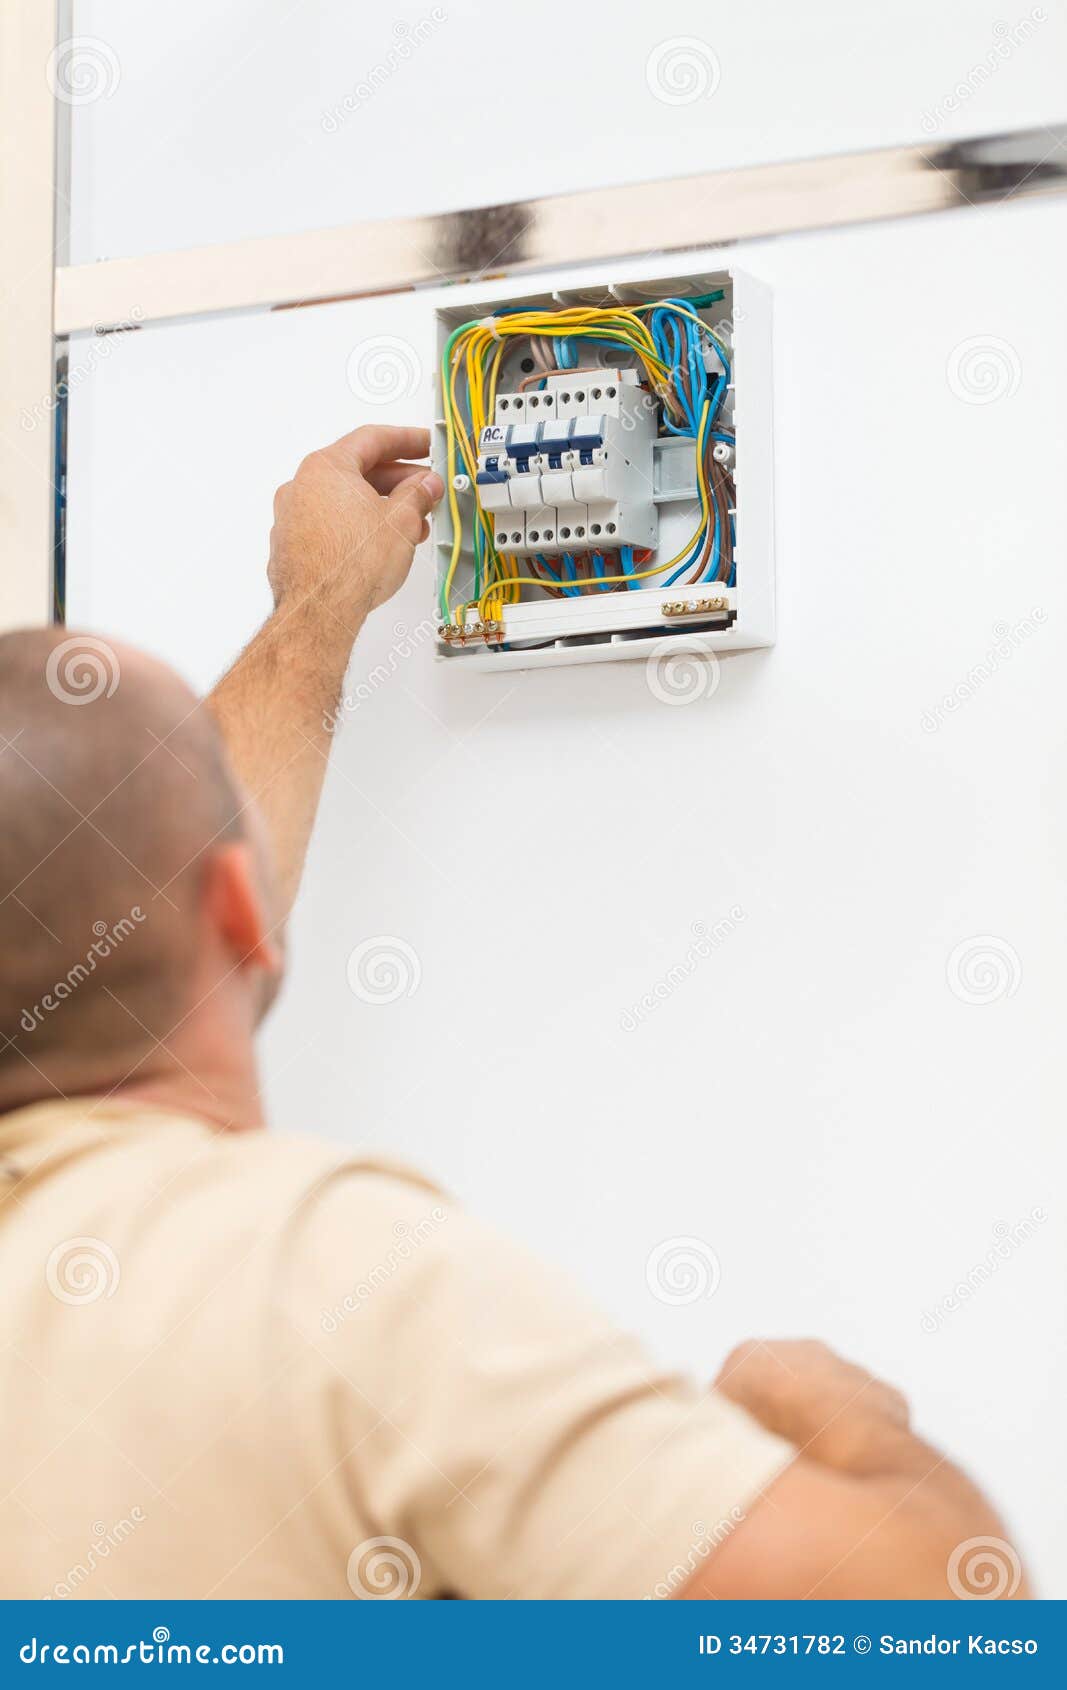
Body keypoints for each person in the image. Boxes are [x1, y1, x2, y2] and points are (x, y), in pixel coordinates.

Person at [0, 427, 1023, 1601]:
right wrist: (831, 1410)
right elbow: (941, 1618)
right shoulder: (330, 1282)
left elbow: (111, 902)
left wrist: (318, 607)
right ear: (238, 906)